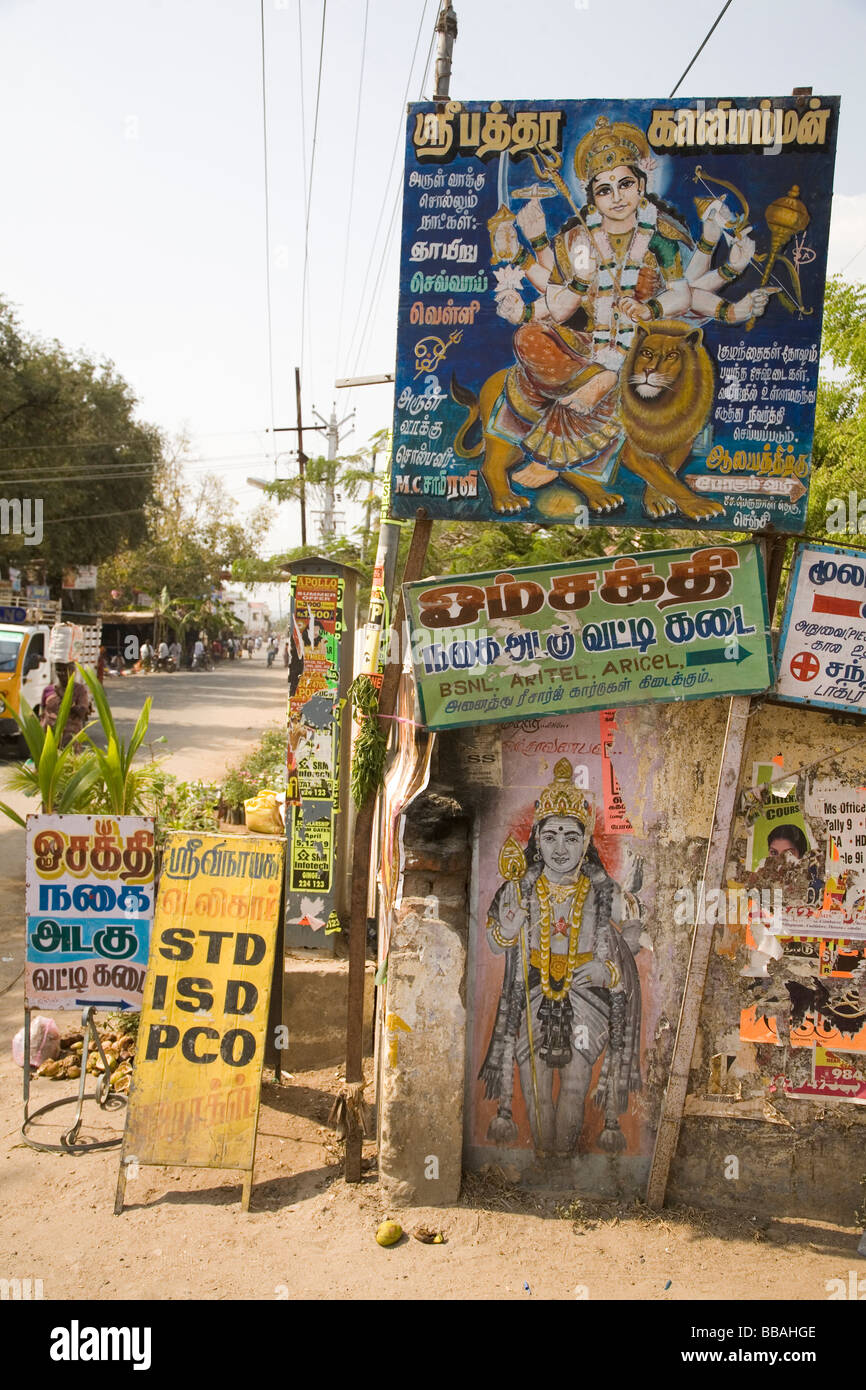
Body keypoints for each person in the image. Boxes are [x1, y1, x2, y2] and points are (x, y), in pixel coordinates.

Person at [490, 115, 770, 479]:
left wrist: (646, 308)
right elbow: (558, 292)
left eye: (625, 184)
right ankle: (597, 377)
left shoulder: (660, 237)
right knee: (527, 337)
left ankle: (597, 393)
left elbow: (683, 292)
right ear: (591, 197)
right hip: (587, 343)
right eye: (605, 190)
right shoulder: (578, 239)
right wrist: (530, 253)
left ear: (641, 185)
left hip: (639, 342)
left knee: (656, 360)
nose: (617, 197)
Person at [479, 758, 644, 1159]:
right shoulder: (520, 889)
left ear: (586, 842)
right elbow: (497, 943)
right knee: (535, 1082)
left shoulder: (602, 891)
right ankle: (543, 1159)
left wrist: (605, 970)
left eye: (571, 838)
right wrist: (511, 924)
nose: (560, 848)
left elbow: (634, 936)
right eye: (550, 836)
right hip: (533, 994)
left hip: (586, 996)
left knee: (574, 1082)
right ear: (536, 837)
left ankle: (561, 1162)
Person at [40, 663, 92, 747]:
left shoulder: (79, 689)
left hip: (70, 738)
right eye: (59, 670)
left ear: (73, 671)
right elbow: (43, 711)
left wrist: (64, 698)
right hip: (49, 736)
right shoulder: (48, 690)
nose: (62, 673)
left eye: (66, 670)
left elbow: (82, 712)